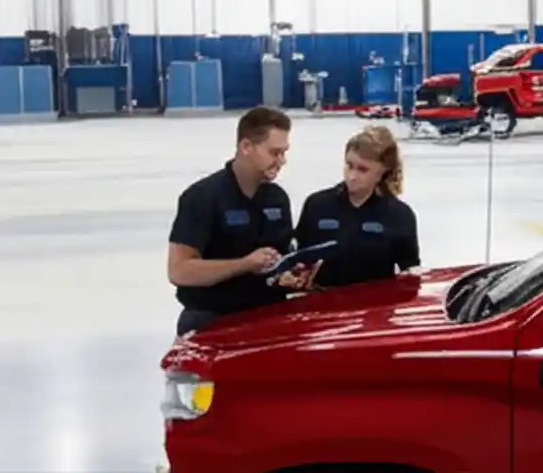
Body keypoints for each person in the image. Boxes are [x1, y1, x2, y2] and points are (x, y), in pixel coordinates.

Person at [166, 106, 317, 336]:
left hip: (268, 316)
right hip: (211, 320)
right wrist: (244, 264)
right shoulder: (203, 197)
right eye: (274, 153)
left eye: (284, 152)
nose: (282, 161)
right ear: (246, 147)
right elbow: (180, 270)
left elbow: (281, 258)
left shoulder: (278, 199)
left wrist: (293, 273)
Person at [293, 125, 421, 289]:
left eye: (363, 170)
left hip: (375, 302)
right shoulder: (317, 205)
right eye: (349, 165)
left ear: (382, 171)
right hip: (322, 299)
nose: (352, 176)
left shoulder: (399, 215)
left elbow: (410, 275)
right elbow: (299, 259)